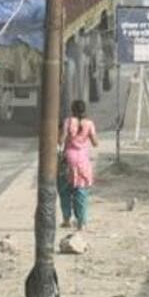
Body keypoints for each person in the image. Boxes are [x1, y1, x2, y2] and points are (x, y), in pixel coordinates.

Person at [58, 99, 98, 231]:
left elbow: (61, 140)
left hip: (68, 161)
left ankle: (66, 220)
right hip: (83, 162)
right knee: (81, 193)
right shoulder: (89, 123)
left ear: (72, 110)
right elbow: (95, 143)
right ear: (84, 110)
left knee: (65, 192)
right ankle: (82, 222)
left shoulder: (68, 121)